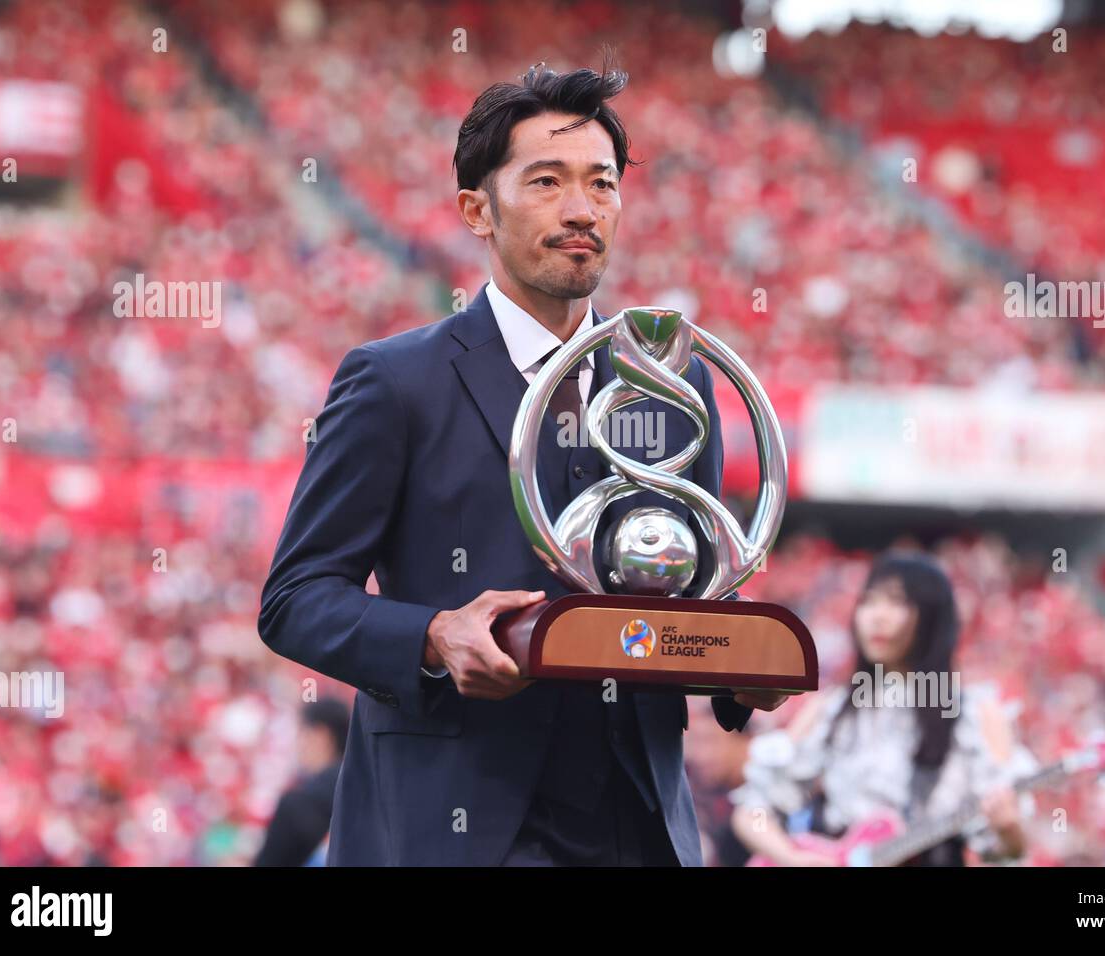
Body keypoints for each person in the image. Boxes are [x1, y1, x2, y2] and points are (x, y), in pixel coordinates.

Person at [258, 60, 786, 867]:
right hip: (455, 827)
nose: (582, 210)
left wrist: (743, 667)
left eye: (602, 185)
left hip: (637, 827)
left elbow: (701, 590)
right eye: (547, 181)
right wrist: (435, 635)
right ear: (477, 208)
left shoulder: (681, 380)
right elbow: (295, 599)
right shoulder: (394, 380)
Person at [730, 552, 1035, 866]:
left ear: (933, 617)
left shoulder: (975, 714)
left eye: (897, 603)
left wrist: (1008, 829)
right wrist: (793, 857)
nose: (877, 616)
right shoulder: (831, 710)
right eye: (869, 602)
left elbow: (1008, 853)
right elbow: (752, 809)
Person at [253, 697, 350, 867]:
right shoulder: (369, 792)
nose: (298, 743)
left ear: (320, 735)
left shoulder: (298, 803)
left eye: (301, 732)